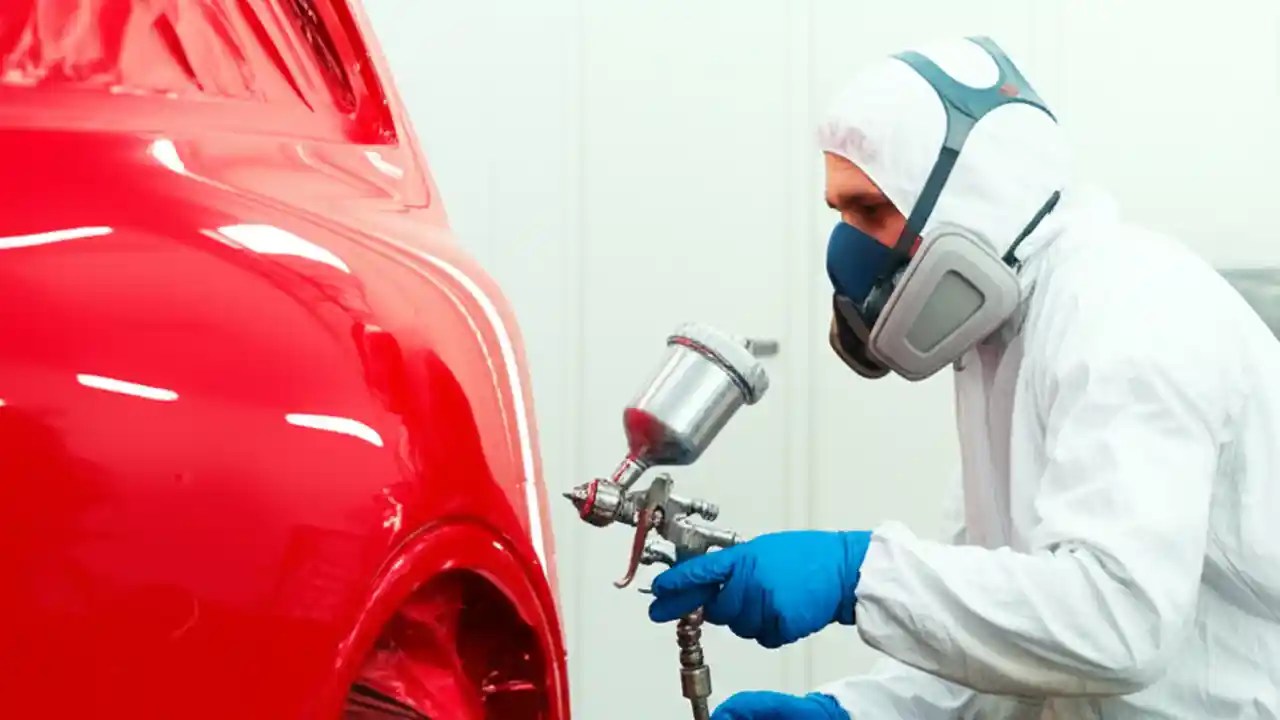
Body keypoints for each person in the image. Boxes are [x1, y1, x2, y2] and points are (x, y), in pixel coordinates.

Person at [647, 35, 1280, 718]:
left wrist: (857, 575)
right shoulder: (999, 346)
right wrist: (852, 713)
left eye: (869, 211)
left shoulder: (1131, 311)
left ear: (969, 200)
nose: (852, 252)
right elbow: (1001, 635)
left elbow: (1116, 622)